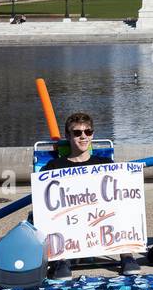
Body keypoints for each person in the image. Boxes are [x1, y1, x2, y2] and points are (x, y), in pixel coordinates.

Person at [38, 112, 130, 278]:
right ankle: (61, 259)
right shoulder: (54, 166)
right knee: (53, 217)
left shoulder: (105, 164)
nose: (83, 136)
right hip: (69, 217)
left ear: (92, 134)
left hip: (99, 216)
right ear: (68, 136)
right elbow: (44, 198)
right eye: (77, 133)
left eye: (87, 132)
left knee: (124, 208)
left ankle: (127, 255)